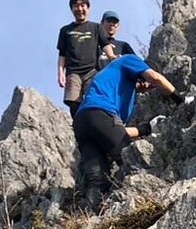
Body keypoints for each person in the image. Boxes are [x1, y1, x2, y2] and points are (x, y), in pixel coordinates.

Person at [72, 45, 183, 198]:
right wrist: (180, 100)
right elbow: (156, 78)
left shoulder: (121, 89)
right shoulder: (130, 60)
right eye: (148, 82)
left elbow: (113, 131)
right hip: (100, 114)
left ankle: (93, 215)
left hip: (82, 123)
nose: (149, 86)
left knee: (98, 181)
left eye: (152, 88)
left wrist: (145, 129)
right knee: (132, 160)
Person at [56, 0, 103, 118]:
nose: (80, 9)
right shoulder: (65, 30)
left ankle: (93, 126)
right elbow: (62, 54)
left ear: (88, 7)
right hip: (73, 72)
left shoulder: (96, 27)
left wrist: (112, 57)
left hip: (92, 71)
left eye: (83, 5)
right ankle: (78, 126)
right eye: (76, 6)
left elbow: (106, 45)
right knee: (73, 102)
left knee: (92, 101)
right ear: (71, 9)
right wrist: (60, 73)